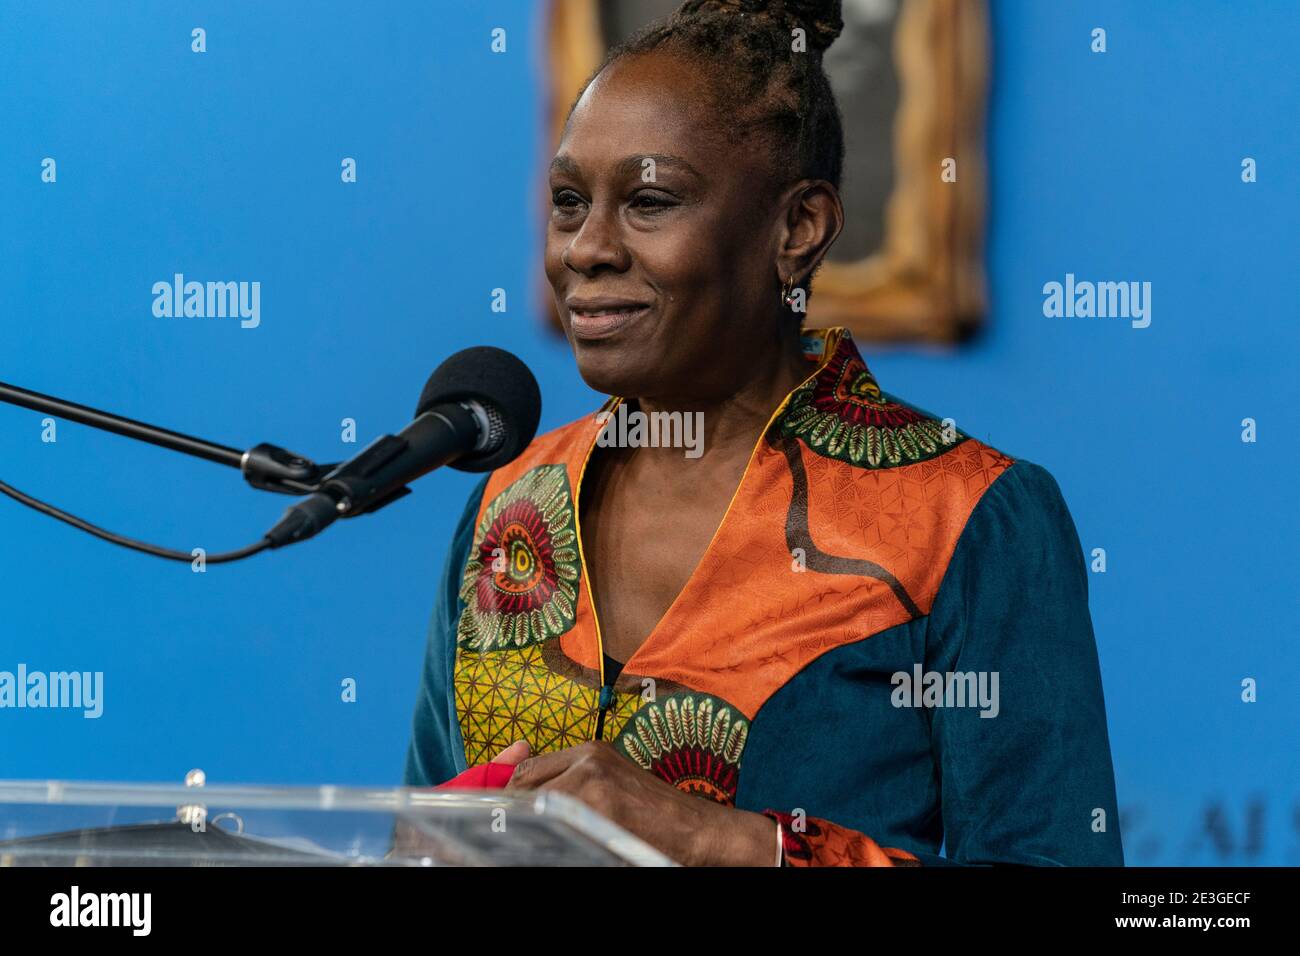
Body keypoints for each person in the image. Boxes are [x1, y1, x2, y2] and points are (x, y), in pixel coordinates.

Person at [404, 0, 1123, 867]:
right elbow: (423, 833)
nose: (585, 249)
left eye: (650, 200)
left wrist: (728, 842)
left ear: (798, 229)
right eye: (567, 201)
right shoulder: (510, 506)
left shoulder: (966, 520)